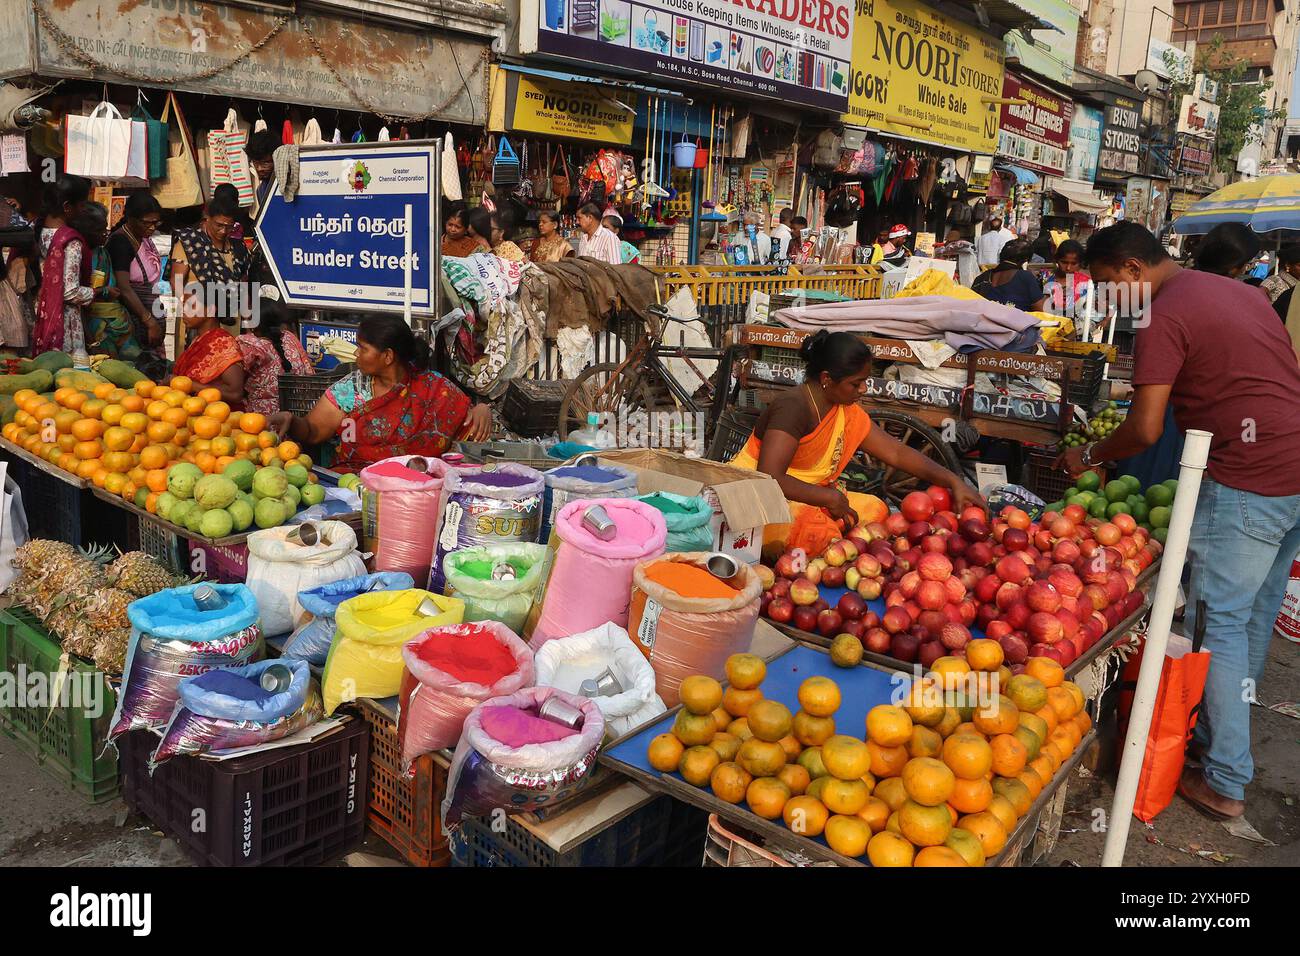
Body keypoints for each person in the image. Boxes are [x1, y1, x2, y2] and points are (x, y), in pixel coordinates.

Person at [1062, 221, 1300, 820]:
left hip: (1248, 476)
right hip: (1292, 468)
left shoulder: (1163, 313)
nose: (1109, 298)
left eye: (1109, 284)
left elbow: (1144, 427)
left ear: (1133, 269)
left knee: (1215, 623)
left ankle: (1224, 781)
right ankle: (1224, 750)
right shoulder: (1243, 292)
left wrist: (1088, 456)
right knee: (1247, 621)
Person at [731, 330, 984, 557]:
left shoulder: (844, 410)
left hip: (806, 497)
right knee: (818, 534)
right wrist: (827, 498)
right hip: (754, 499)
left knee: (876, 509)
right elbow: (769, 476)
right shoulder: (793, 406)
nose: (864, 389)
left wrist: (953, 481)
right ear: (827, 378)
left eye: (865, 381)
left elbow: (895, 452)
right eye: (856, 383)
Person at [268, 314, 493, 472]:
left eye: (363, 348)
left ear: (387, 356)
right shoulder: (351, 390)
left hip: (418, 488)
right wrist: (291, 419)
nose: (356, 353)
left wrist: (482, 409)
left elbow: (468, 425)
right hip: (354, 485)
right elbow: (313, 431)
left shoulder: (436, 388)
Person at [170, 190, 251, 342]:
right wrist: (194, 311)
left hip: (229, 319)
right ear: (207, 218)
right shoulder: (190, 243)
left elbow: (244, 286)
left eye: (229, 226)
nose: (223, 231)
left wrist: (248, 324)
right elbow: (176, 281)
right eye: (219, 225)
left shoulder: (238, 248)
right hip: (196, 320)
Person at [106, 192, 167, 378]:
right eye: (146, 222)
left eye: (156, 223)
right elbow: (124, 287)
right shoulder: (121, 242)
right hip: (135, 319)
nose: (152, 227)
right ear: (130, 218)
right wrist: (149, 321)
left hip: (150, 313)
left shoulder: (143, 237)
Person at [33, 200, 105, 357]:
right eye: (80, 204)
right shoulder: (71, 241)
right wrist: (97, 292)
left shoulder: (42, 233)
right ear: (67, 207)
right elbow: (69, 292)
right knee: (67, 373)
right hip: (63, 320)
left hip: (43, 312)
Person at [170, 287, 246, 406]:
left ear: (210, 310)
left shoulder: (224, 343)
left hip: (217, 416)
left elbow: (235, 394)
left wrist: (188, 385)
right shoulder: (198, 340)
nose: (183, 311)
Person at [236, 309, 314, 415]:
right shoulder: (290, 337)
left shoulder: (249, 344)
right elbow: (309, 372)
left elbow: (234, 383)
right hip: (298, 413)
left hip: (262, 419)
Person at [971, 239, 1046, 312]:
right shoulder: (1025, 277)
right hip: (1014, 323)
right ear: (1025, 261)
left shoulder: (980, 278)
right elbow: (1041, 309)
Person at [36, 175, 91, 264]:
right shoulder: (71, 243)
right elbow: (70, 278)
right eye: (82, 205)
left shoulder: (37, 231)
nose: (84, 210)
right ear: (67, 207)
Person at [1042, 239, 1091, 318]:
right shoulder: (1046, 279)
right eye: (1064, 262)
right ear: (1057, 260)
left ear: (1080, 263)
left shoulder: (1086, 282)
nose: (1068, 268)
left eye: (1073, 263)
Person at [1190, 222, 1259, 279]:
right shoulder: (1233, 293)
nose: (1243, 270)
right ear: (1233, 268)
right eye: (1245, 263)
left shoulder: (1183, 279)